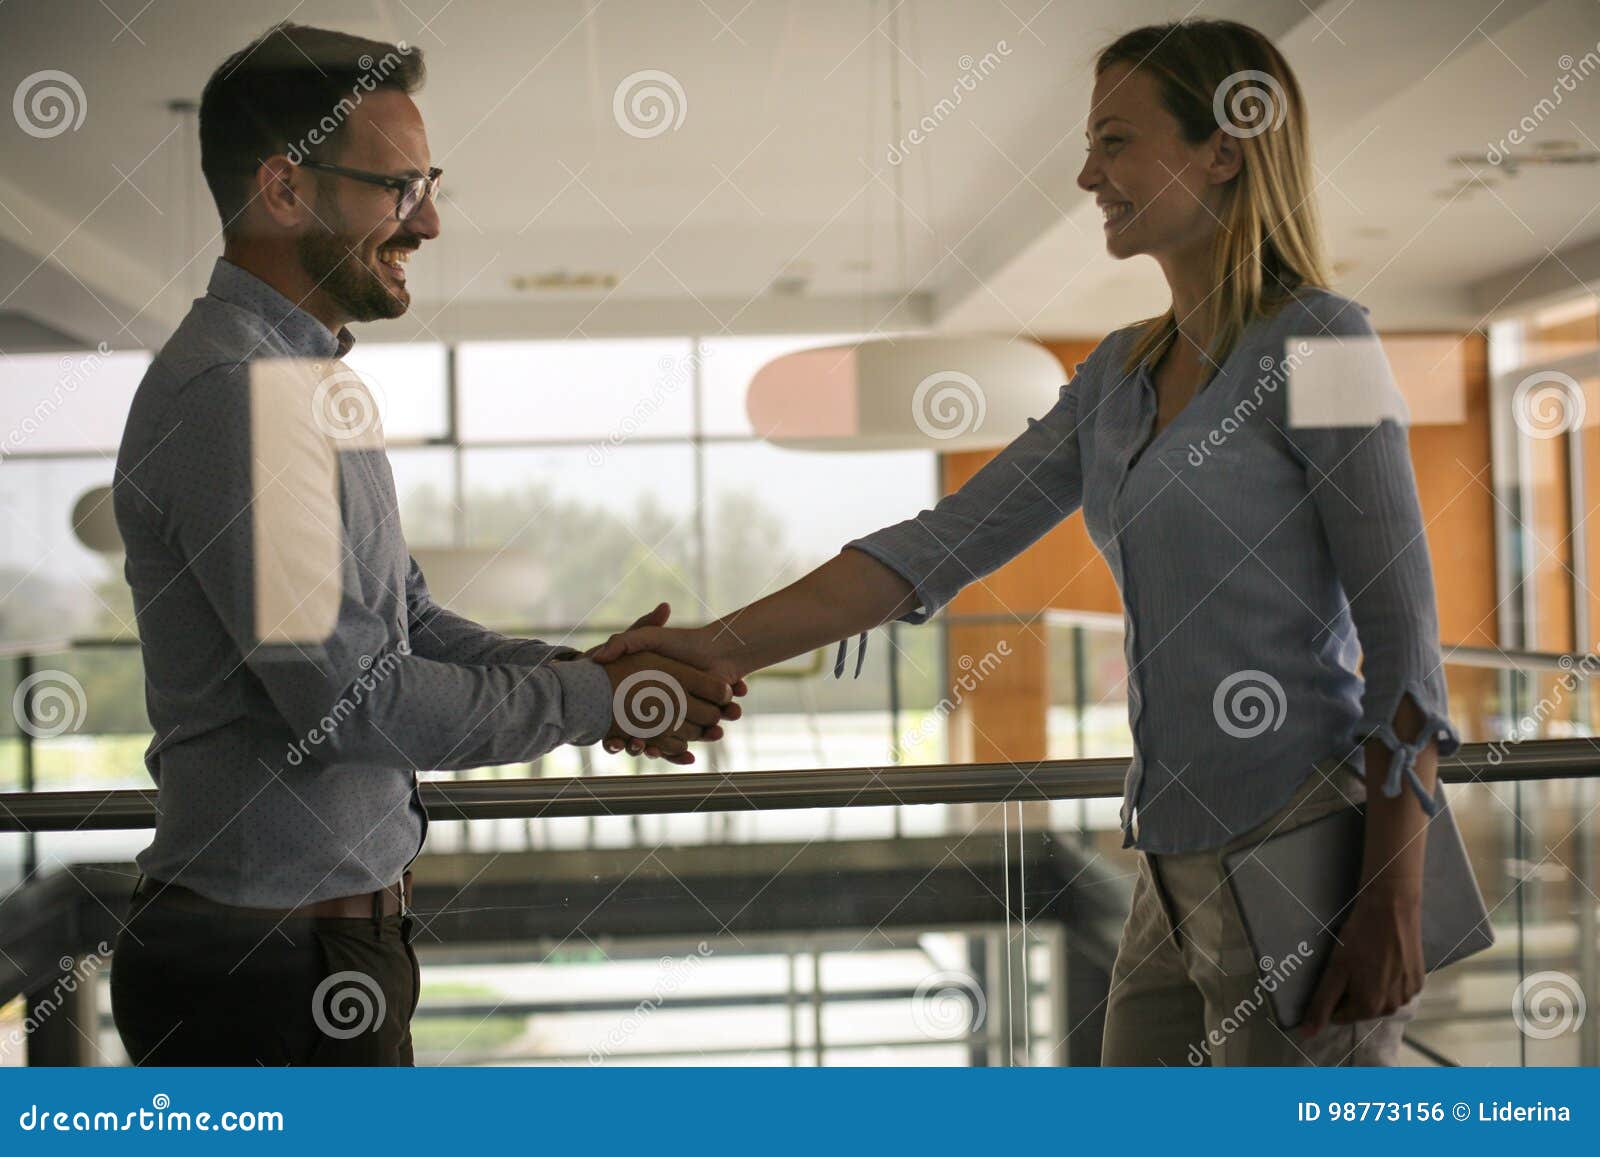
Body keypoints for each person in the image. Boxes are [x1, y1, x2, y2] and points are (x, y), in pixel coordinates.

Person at [593, 18, 1460, 1066]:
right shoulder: (1116, 374)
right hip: (1168, 865)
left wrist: (1391, 894)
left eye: (1115, 140)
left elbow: (1404, 640)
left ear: (1223, 148)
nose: (1087, 172)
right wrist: (715, 644)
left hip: (1304, 854)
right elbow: (941, 541)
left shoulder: (1323, 341)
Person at [109, 23, 739, 1066]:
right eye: (397, 188)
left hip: (322, 952)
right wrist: (596, 701)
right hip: (262, 974)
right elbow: (352, 696)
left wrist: (581, 671)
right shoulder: (238, 397)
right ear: (284, 189)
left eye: (427, 183)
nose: (431, 219)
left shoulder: (310, 385)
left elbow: (408, 619)